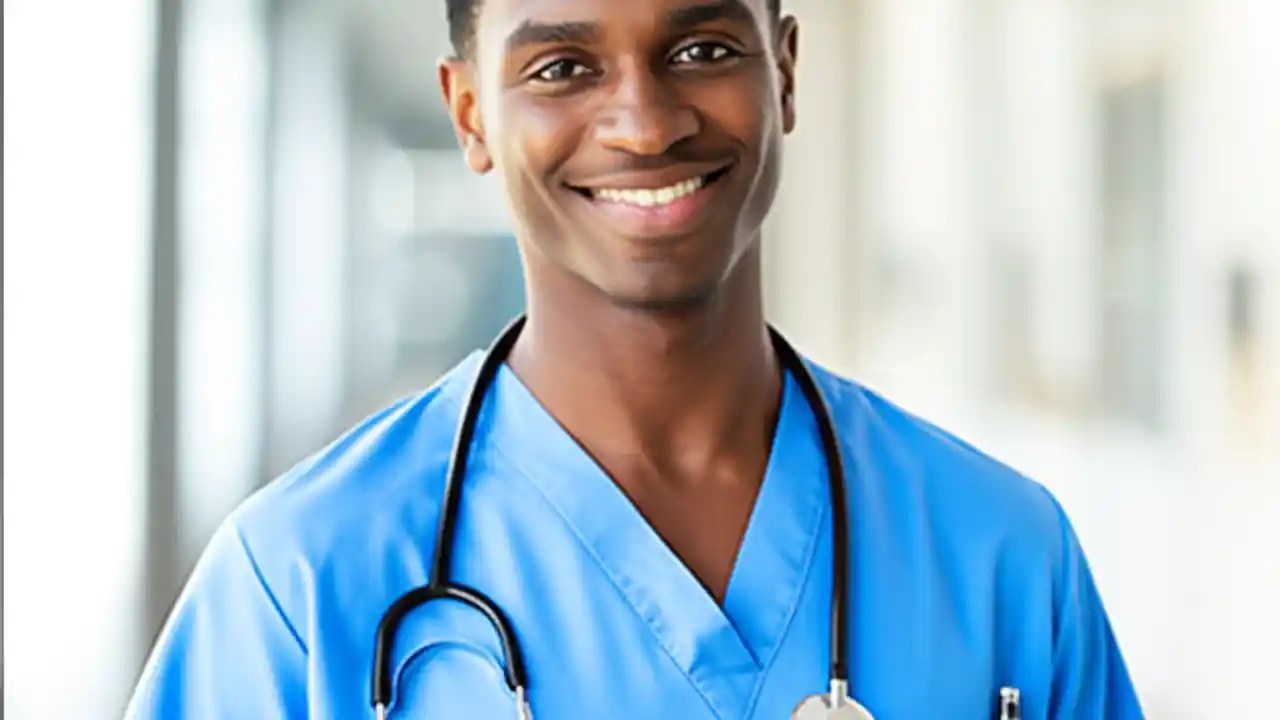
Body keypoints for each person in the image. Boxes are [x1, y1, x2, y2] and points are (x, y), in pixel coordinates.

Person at [126, 0, 1144, 717]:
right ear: (470, 111)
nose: (646, 124)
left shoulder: (1003, 556)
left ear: (783, 71)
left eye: (701, 48)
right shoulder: (301, 583)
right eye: (561, 67)